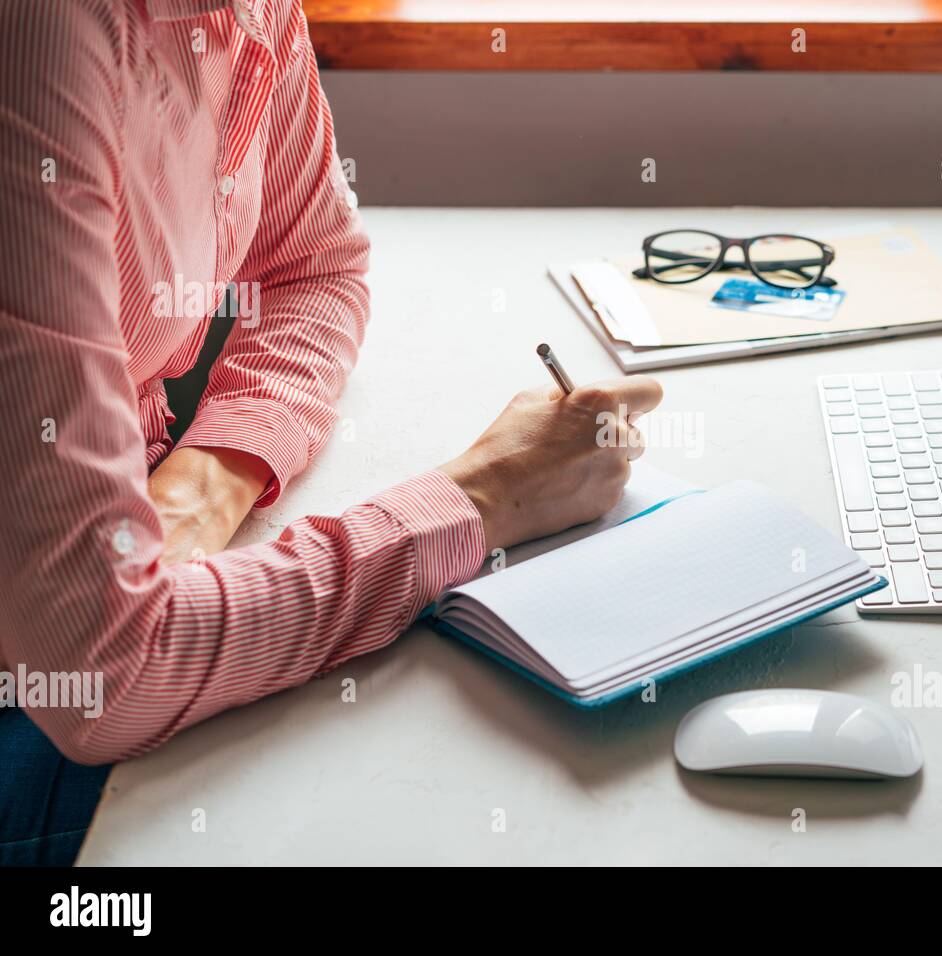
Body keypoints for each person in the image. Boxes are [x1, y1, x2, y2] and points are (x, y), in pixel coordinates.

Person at [0, 0, 660, 865]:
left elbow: (312, 267)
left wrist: (208, 480)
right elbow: (104, 677)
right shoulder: (42, 37)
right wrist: (484, 498)